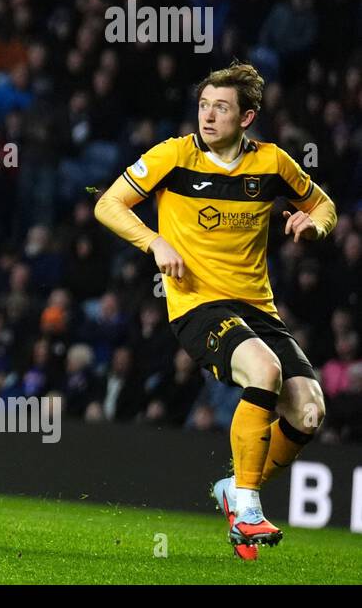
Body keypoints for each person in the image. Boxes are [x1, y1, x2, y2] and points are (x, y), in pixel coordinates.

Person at [94, 62, 337, 560]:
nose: (207, 116)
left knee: (309, 411)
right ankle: (248, 509)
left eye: (221, 108)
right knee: (264, 370)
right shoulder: (175, 155)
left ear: (246, 117)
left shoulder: (271, 163)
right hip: (197, 303)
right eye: (204, 105)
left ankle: (237, 486)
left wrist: (312, 227)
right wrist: (153, 241)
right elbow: (108, 204)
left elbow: (324, 205)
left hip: (256, 306)